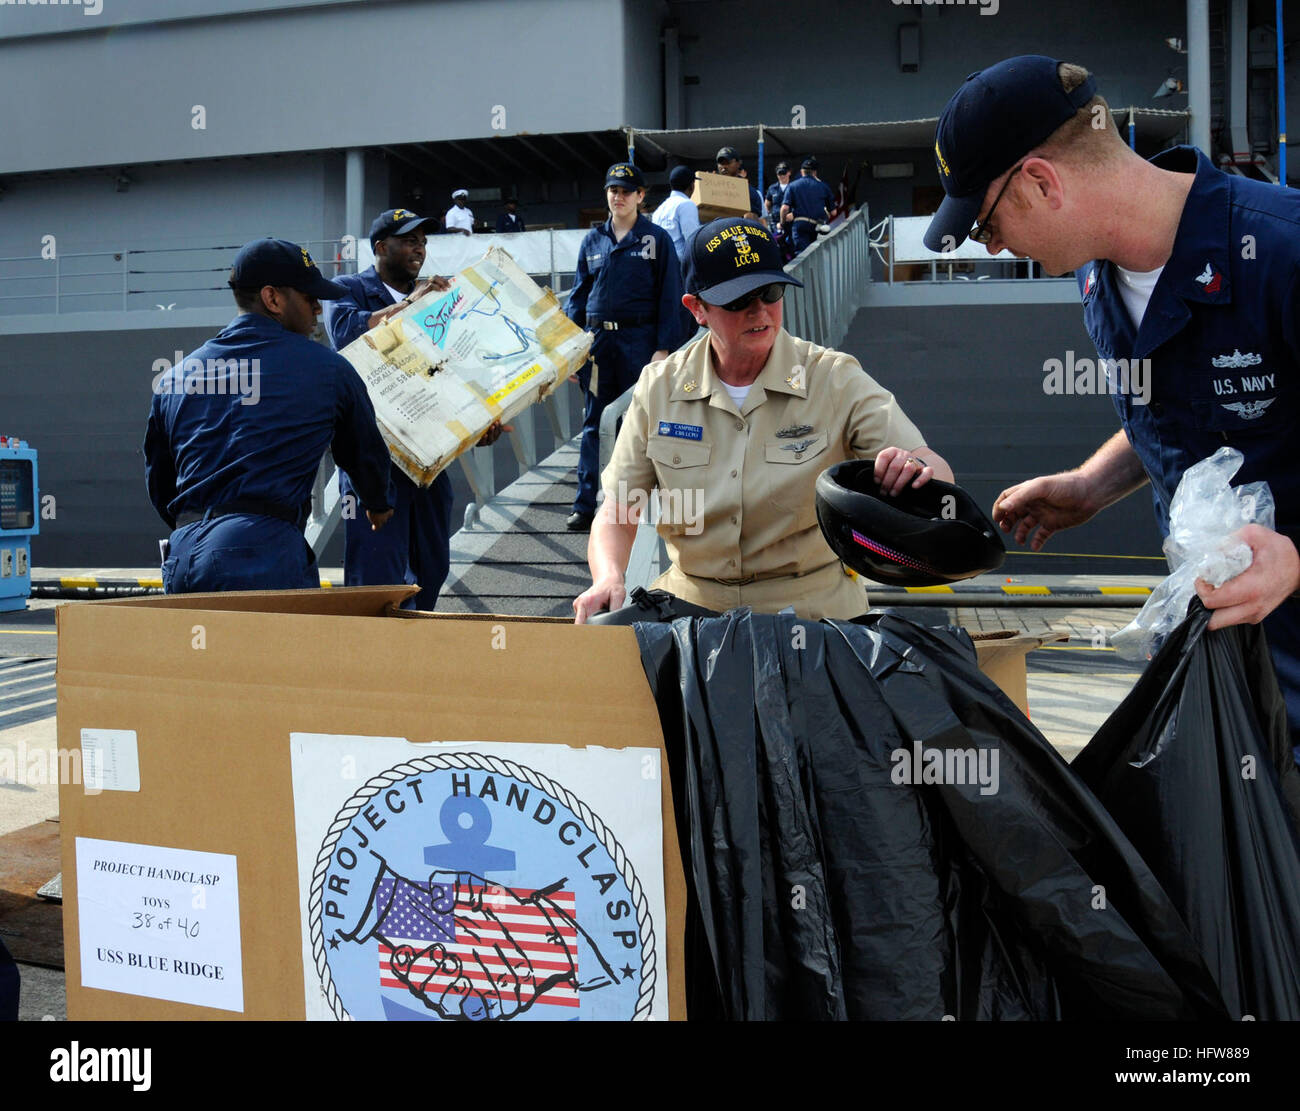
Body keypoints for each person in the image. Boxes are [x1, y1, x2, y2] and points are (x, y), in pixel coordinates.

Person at [923, 54, 1300, 760]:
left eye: (986, 224)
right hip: (1220, 690)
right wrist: (1090, 486)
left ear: (1040, 181)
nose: (996, 245)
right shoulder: (1098, 281)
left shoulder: (1281, 252)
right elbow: (1183, 413)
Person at [573, 216, 952, 622]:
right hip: (692, 613)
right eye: (738, 300)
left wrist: (915, 473)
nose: (759, 311)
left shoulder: (833, 378)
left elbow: (935, 471)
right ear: (697, 308)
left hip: (813, 614)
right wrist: (608, 577)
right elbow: (619, 510)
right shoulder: (659, 387)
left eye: (770, 292)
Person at [144, 238, 394, 593]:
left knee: (203, 650)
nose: (318, 311)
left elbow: (160, 481)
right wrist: (378, 503)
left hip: (184, 555)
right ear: (273, 298)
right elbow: (365, 452)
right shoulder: (329, 370)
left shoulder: (175, 376)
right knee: (276, 649)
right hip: (264, 554)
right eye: (310, 299)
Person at [323, 208, 505, 610]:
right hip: (375, 458)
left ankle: (416, 656)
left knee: (432, 565)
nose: (418, 249)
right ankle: (374, 662)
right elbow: (348, 335)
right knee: (377, 572)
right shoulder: (347, 289)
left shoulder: (438, 296)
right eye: (408, 241)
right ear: (381, 248)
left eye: (422, 241)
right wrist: (412, 304)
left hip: (428, 455)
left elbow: (456, 366)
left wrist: (481, 421)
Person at [564, 162, 686, 532]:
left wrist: (664, 348)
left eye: (626, 191)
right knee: (593, 422)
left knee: (645, 423)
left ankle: (647, 503)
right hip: (599, 346)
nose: (619, 197)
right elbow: (577, 298)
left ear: (641, 197)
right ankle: (587, 504)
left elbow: (671, 296)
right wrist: (570, 352)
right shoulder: (593, 240)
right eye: (613, 190)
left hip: (640, 343)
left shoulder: (655, 240)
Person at [780, 157, 835, 255]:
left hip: (800, 225)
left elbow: (784, 208)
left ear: (802, 171)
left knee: (801, 256)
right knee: (815, 255)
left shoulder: (793, 185)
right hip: (817, 226)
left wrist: (783, 223)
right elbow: (833, 212)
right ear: (815, 172)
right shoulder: (823, 186)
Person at [651, 165, 701, 264]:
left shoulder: (659, 210)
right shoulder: (686, 204)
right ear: (692, 186)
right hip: (678, 265)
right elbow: (692, 240)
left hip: (661, 265)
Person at [714, 145, 765, 218]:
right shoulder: (713, 189)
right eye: (721, 163)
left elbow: (751, 218)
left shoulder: (748, 191)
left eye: (727, 162)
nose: (724, 167)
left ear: (738, 163)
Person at [765, 161, 793, 257]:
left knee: (792, 247)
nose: (782, 176)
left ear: (789, 172)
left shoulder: (794, 187)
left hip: (791, 223)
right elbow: (767, 205)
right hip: (775, 223)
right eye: (779, 173)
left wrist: (794, 214)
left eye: (784, 173)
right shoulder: (772, 188)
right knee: (777, 248)